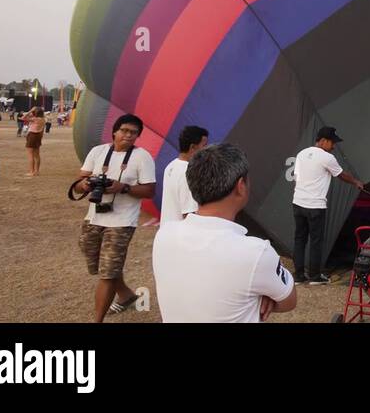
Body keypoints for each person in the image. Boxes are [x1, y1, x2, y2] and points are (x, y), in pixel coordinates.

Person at [153, 143, 297, 323]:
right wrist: (258, 297)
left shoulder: (164, 234)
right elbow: (289, 300)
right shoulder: (256, 252)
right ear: (241, 186)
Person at [71, 114, 157, 322]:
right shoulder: (98, 151)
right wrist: (86, 185)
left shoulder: (142, 156)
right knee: (99, 264)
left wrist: (123, 187)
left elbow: (149, 191)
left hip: (122, 222)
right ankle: (126, 295)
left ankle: (97, 320)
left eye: (133, 133)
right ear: (114, 132)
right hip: (94, 217)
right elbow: (80, 181)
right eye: (124, 131)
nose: (128, 135)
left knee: (107, 272)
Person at [291, 126, 364, 285]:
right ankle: (315, 277)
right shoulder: (327, 157)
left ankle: (298, 276)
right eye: (332, 142)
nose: (333, 146)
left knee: (299, 240)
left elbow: (296, 177)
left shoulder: (301, 154)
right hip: (315, 205)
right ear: (323, 141)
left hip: (298, 203)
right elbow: (341, 175)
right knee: (316, 241)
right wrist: (356, 182)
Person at [159, 125, 209, 224]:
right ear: (193, 148)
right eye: (204, 146)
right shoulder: (190, 172)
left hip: (167, 231)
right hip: (181, 235)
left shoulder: (171, 166)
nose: (207, 150)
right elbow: (189, 215)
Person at [23, 106, 46, 176]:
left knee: (30, 154)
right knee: (37, 155)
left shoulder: (34, 119)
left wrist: (30, 111)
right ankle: (37, 171)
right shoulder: (43, 120)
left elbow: (23, 117)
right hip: (38, 135)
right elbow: (42, 130)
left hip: (32, 135)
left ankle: (31, 171)